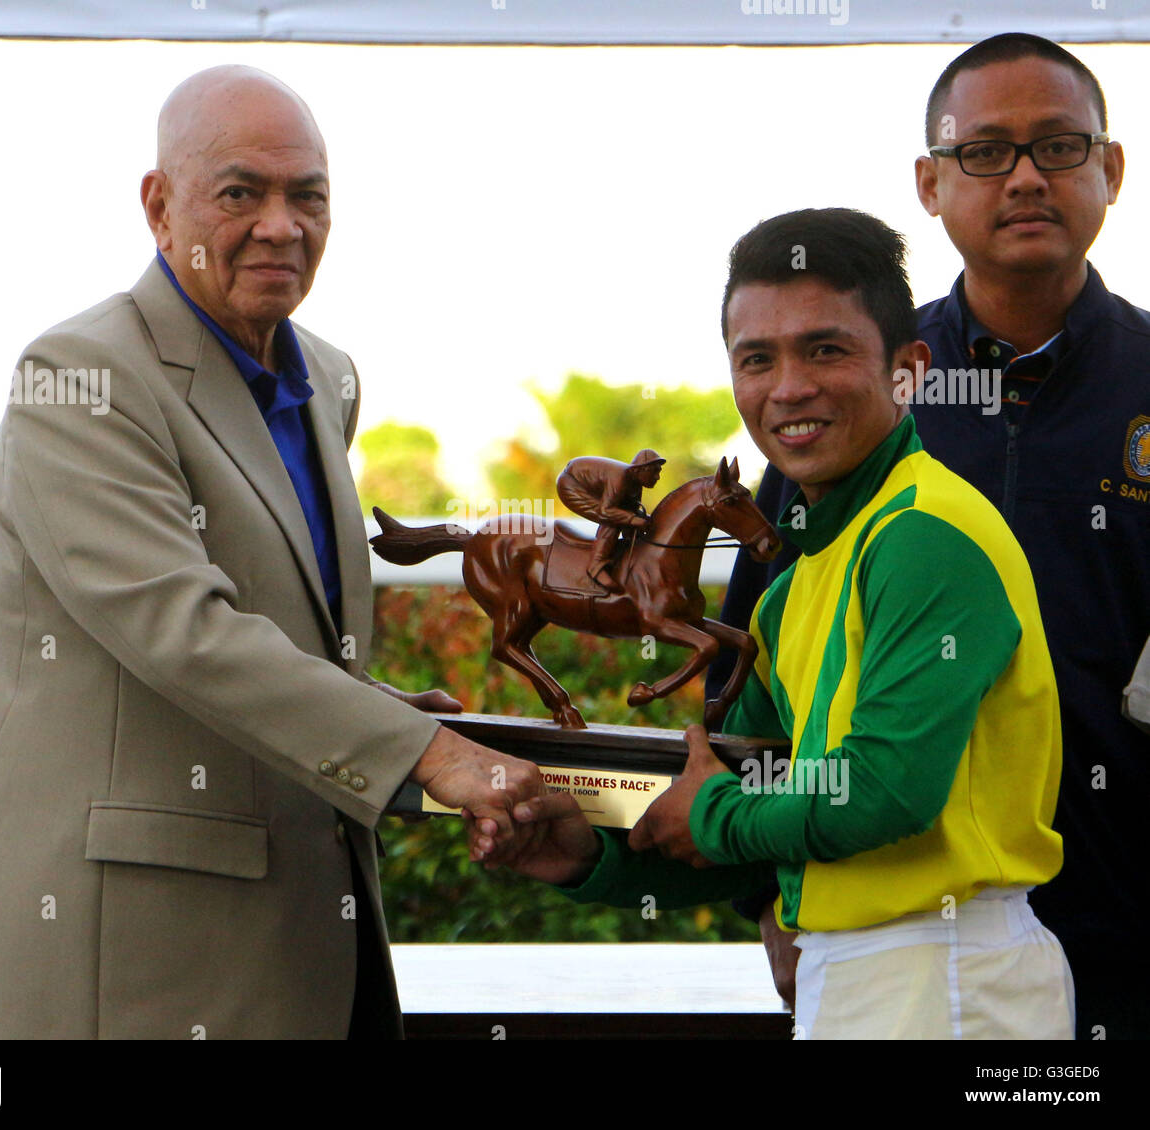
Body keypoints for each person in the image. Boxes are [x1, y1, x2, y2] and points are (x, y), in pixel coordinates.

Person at [0, 65, 548, 1040]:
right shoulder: (78, 376)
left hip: (289, 953)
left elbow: (276, 630)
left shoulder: (328, 376)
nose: (280, 224)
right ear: (159, 207)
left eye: (308, 195)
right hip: (116, 971)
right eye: (241, 192)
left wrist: (381, 718)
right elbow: (181, 629)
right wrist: (429, 755)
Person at [482, 208, 1074, 1039]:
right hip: (877, 976)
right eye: (757, 359)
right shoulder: (791, 586)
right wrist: (585, 854)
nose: (788, 387)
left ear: (909, 371)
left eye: (825, 349)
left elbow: (880, 793)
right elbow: (745, 819)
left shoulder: (924, 535)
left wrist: (712, 813)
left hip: (944, 978)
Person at [709, 33, 1150, 1039]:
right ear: (930, 183)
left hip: (1127, 908)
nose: (1026, 177)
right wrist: (769, 889)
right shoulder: (845, 382)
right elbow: (753, 665)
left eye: (1059, 147)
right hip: (899, 914)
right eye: (986, 152)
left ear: (1111, 170)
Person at [555, 450, 666, 591]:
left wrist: (643, 521)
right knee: (614, 519)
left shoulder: (635, 483)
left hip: (590, 486)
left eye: (659, 472)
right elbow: (605, 511)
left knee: (626, 517)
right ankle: (596, 567)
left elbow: (634, 511)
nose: (657, 477)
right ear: (641, 469)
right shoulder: (620, 477)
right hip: (572, 485)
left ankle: (628, 557)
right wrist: (633, 520)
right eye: (655, 471)